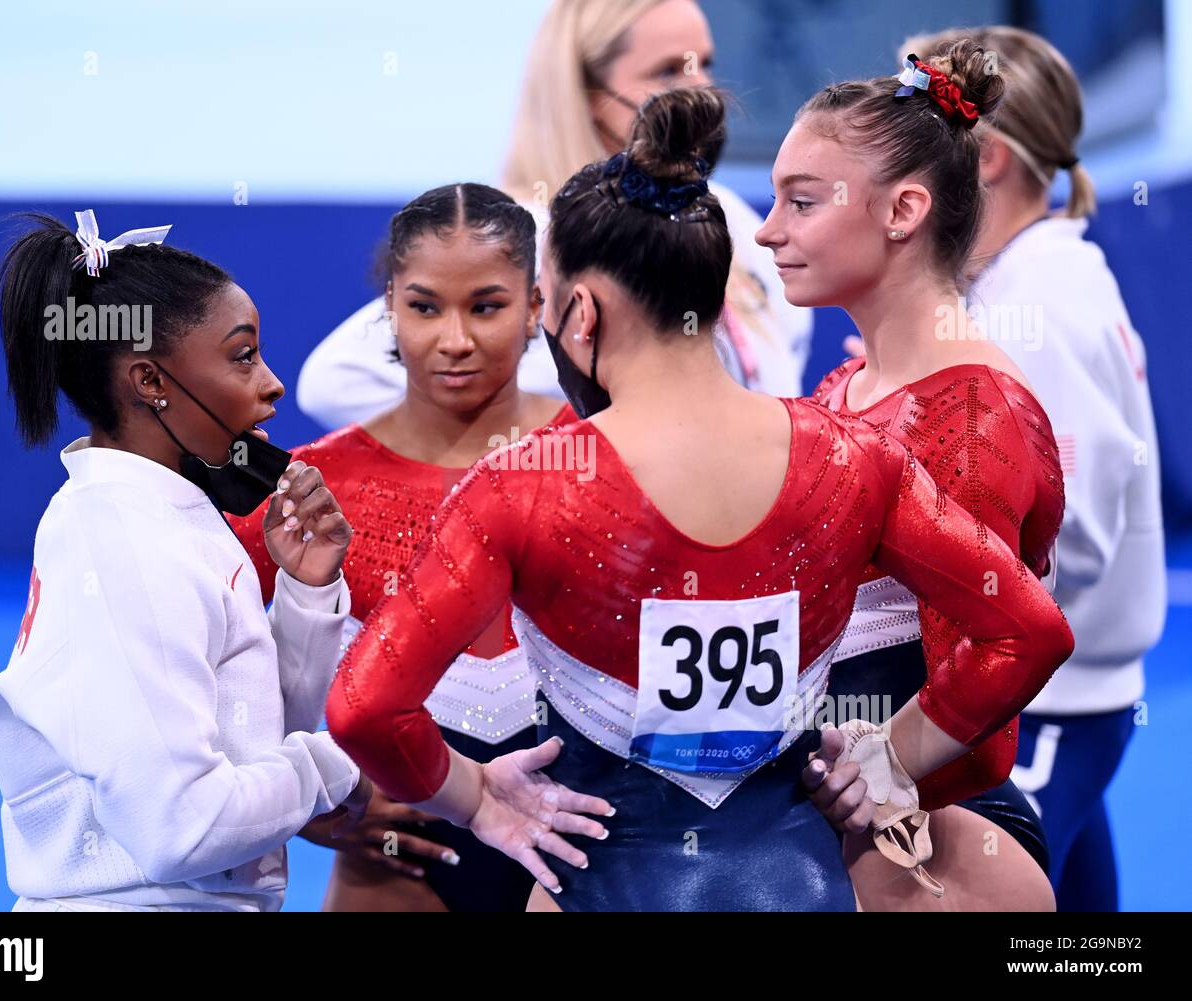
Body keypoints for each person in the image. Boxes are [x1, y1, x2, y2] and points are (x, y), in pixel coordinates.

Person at [327, 87, 1073, 912]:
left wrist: (474, 797)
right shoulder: (854, 451)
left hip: (604, 882)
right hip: (801, 877)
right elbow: (1031, 631)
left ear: (577, 312)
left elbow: (364, 707)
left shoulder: (518, 484)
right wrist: (884, 758)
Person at [0, 210, 369, 911]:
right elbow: (184, 827)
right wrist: (349, 765)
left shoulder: (165, 511)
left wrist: (306, 595)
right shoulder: (127, 542)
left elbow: (251, 738)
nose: (273, 383)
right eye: (243, 355)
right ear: (149, 381)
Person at [761, 40, 1063, 910]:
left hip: (936, 834)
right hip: (858, 810)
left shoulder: (970, 418)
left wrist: (880, 765)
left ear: (903, 210)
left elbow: (994, 692)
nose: (769, 229)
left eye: (801, 202)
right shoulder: (853, 383)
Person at [231, 183, 574, 911]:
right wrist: (299, 800)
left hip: (578, 852)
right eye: (424, 307)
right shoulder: (317, 486)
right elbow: (196, 662)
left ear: (537, 307)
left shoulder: (602, 457)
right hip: (395, 870)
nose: (455, 339)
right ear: (389, 308)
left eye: (486, 306)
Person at [903, 25, 1165, 912]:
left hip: (1048, 698)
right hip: (1062, 689)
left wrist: (983, 639)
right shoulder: (1034, 283)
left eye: (916, 131)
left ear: (987, 162)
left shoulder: (1034, 307)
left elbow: (1074, 533)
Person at [296, 0, 812, 430]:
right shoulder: (533, 234)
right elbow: (335, 381)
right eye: (669, 69)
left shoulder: (731, 216)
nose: (701, 90)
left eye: (705, 63)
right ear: (585, 96)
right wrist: (544, 451)